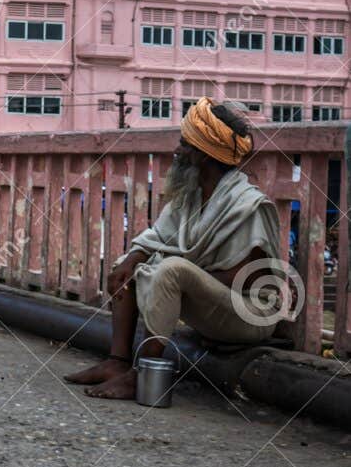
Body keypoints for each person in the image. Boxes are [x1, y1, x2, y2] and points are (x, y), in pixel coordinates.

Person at [66, 97, 284, 400]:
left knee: (171, 270)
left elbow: (251, 278)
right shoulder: (191, 196)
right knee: (127, 266)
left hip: (249, 314)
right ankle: (117, 363)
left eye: (185, 144)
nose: (177, 151)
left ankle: (143, 374)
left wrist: (185, 279)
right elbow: (156, 236)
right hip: (213, 304)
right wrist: (134, 259)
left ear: (205, 154)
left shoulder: (248, 205)